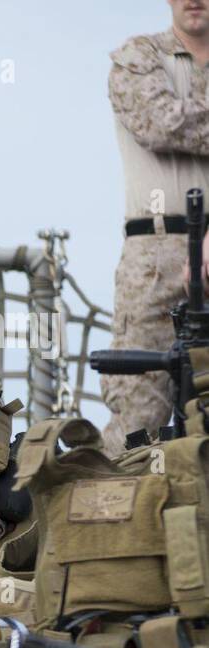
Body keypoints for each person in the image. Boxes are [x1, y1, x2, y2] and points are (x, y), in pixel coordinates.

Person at [101, 0, 209, 454]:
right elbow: (163, 125)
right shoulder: (138, 58)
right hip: (155, 256)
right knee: (136, 421)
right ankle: (105, 524)